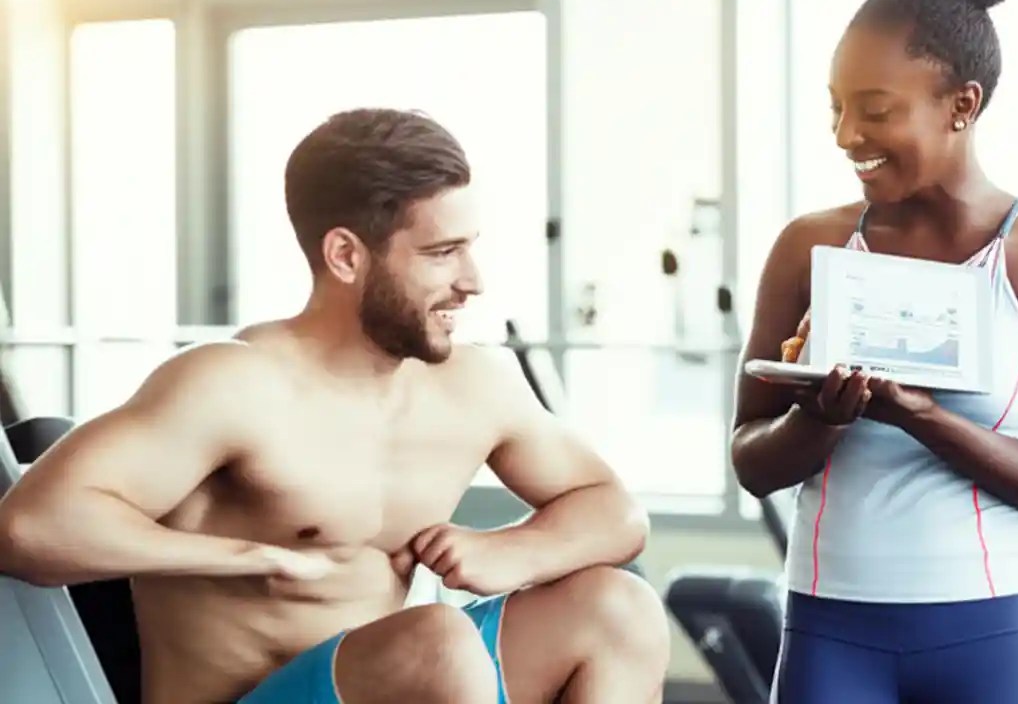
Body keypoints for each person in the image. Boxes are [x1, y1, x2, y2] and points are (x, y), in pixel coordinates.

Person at [0, 108, 670, 704]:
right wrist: (250, 557)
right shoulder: (233, 385)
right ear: (346, 255)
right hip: (253, 692)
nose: (473, 282)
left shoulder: (471, 384)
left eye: (470, 249)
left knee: (620, 609)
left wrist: (517, 551)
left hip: (403, 681)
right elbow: (28, 530)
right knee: (436, 641)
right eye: (442, 254)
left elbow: (614, 511)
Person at [731, 0, 1018, 702]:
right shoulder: (808, 248)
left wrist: (921, 416)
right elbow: (751, 461)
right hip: (830, 627)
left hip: (995, 628)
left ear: (963, 106)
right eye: (836, 106)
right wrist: (819, 418)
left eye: (877, 110)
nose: (846, 133)